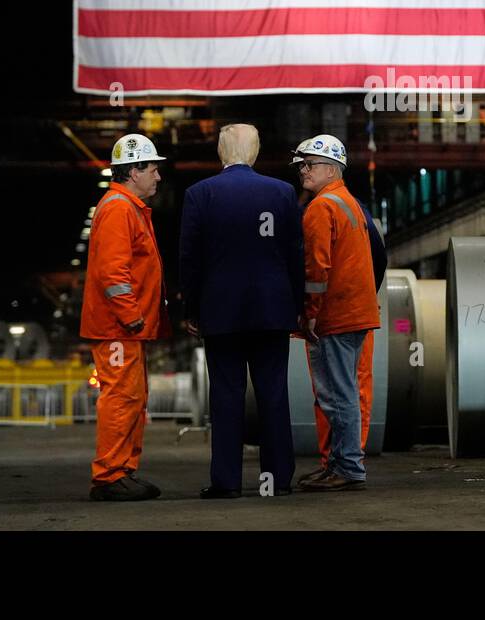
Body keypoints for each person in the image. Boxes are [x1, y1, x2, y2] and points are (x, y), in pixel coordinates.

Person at [179, 124, 303, 499]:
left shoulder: (200, 194)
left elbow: (190, 258)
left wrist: (191, 308)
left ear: (221, 153)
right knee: (274, 394)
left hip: (220, 312)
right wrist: (296, 306)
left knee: (227, 396)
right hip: (272, 310)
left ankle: (227, 481)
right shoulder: (282, 192)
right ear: (255, 152)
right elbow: (296, 256)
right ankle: (277, 479)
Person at [289, 140, 388, 482]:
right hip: (357, 313)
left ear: (331, 168)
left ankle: (347, 467)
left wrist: (310, 312)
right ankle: (342, 464)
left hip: (335, 317)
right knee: (345, 392)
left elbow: (316, 269)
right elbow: (376, 258)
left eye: (310, 164)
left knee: (336, 395)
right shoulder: (351, 205)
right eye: (301, 165)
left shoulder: (321, 208)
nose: (303, 170)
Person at [82, 133, 171, 502]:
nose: (158, 176)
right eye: (152, 168)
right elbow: (112, 273)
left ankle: (121, 471)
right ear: (133, 170)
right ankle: (110, 475)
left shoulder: (126, 206)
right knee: (121, 397)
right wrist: (131, 316)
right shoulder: (119, 208)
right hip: (118, 327)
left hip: (125, 328)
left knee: (131, 397)